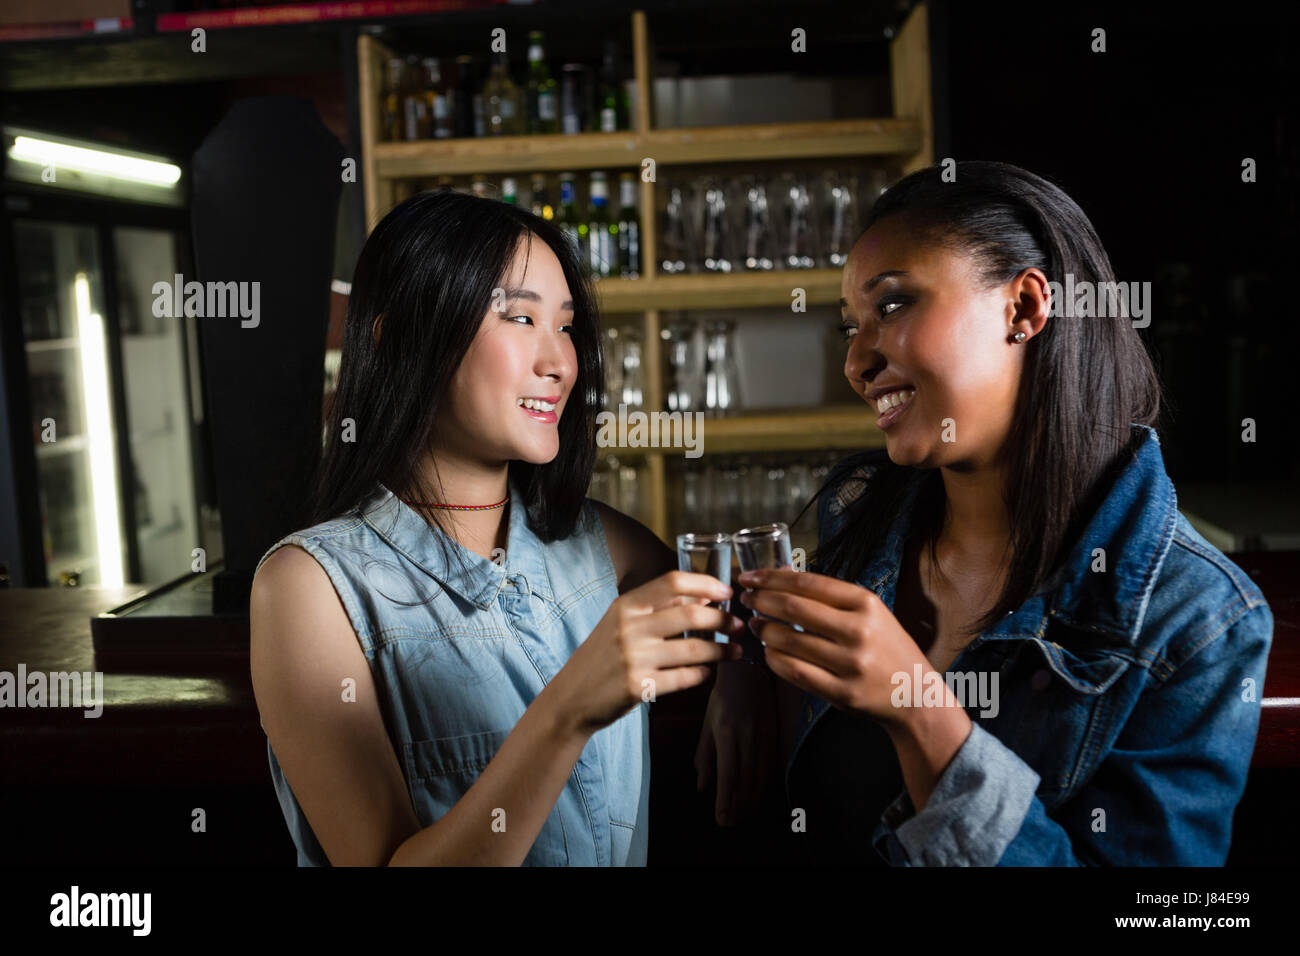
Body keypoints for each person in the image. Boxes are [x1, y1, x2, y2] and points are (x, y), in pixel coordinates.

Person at [706, 160, 1274, 865]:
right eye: (850, 326)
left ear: (1027, 308)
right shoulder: (862, 520)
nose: (855, 362)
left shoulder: (1196, 619)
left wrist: (920, 712)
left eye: (890, 306)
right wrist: (742, 664)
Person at [249, 190, 744, 866]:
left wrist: (745, 687)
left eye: (565, 326)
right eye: (518, 318)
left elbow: (734, 608)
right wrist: (567, 710)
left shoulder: (602, 545)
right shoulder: (309, 588)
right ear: (399, 339)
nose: (561, 363)